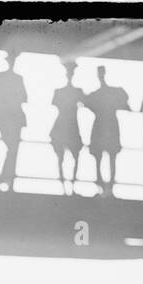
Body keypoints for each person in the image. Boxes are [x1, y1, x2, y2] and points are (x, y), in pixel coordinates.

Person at [84, 65, 129, 195]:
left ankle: (107, 187)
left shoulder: (102, 93)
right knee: (104, 157)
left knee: (108, 157)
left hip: (103, 125)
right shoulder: (109, 92)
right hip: (105, 125)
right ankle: (106, 187)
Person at [0, 54, 27, 191]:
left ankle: (5, 180)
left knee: (12, 150)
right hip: (9, 117)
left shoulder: (2, 77)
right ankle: (7, 180)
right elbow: (24, 97)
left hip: (8, 117)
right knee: (12, 149)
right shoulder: (11, 78)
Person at [49, 61, 84, 194]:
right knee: (63, 157)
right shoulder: (66, 91)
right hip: (66, 125)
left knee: (72, 157)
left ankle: (69, 185)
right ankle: (65, 185)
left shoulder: (71, 91)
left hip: (70, 125)